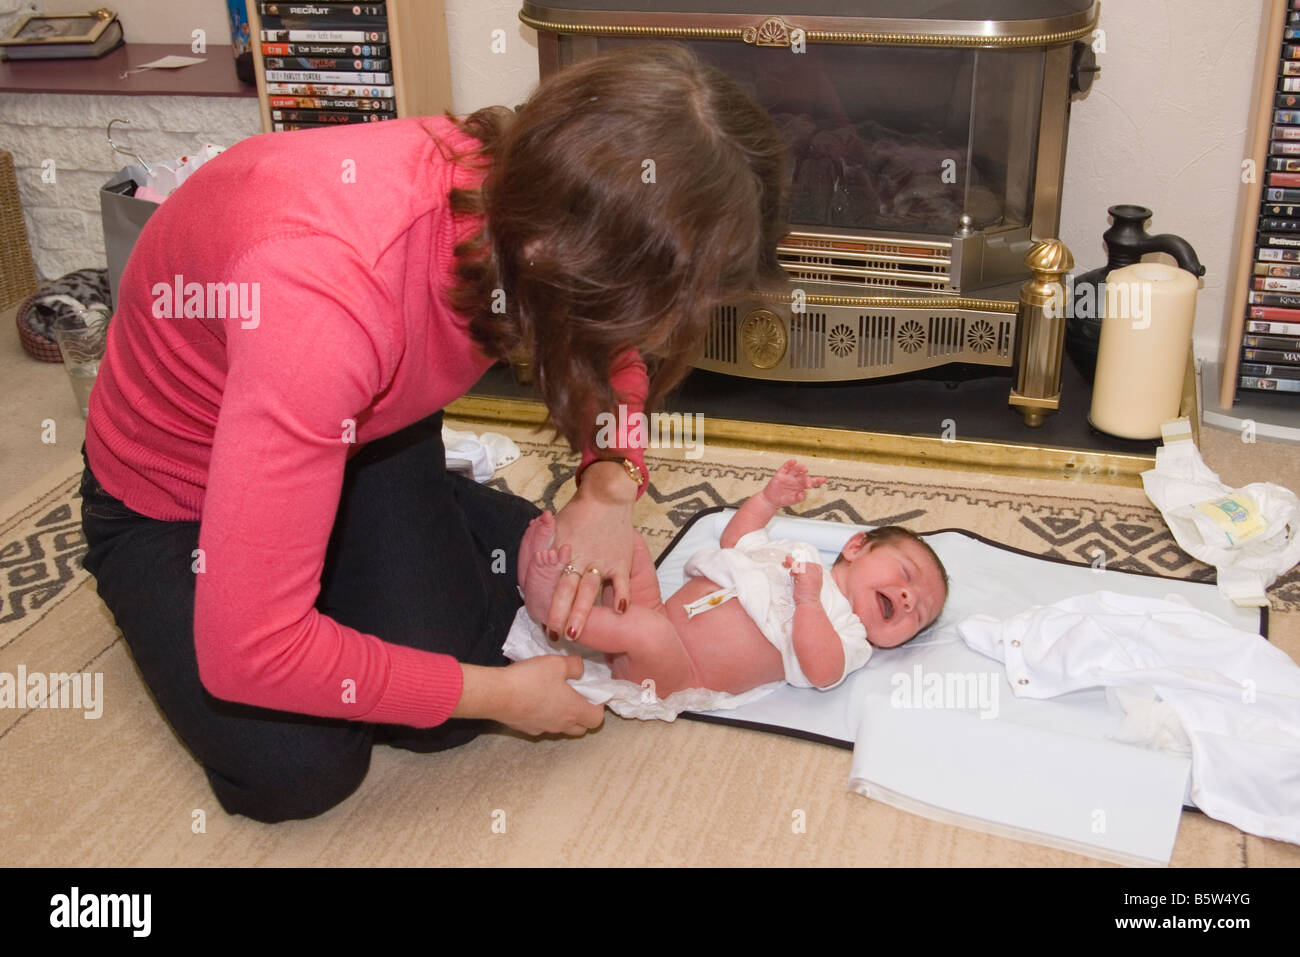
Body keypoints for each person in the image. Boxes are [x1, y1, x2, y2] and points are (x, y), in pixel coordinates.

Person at [77, 44, 791, 822]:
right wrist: (505, 698)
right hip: (172, 498)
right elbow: (249, 650)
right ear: (558, 259)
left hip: (368, 428)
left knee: (441, 702)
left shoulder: (536, 190)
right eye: (662, 309)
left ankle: (403, 525)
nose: (655, 338)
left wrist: (610, 481)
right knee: (303, 772)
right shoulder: (324, 313)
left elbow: (611, 334)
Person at [517, 460, 949, 698]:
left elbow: (822, 671)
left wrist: (810, 603)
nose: (910, 599)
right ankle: (566, 563)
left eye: (920, 613)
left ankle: (548, 608)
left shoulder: (849, 635)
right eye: (906, 575)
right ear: (856, 547)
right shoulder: (796, 554)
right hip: (660, 610)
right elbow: (737, 540)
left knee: (645, 632)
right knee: (630, 544)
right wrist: (766, 500)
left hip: (678, 672)